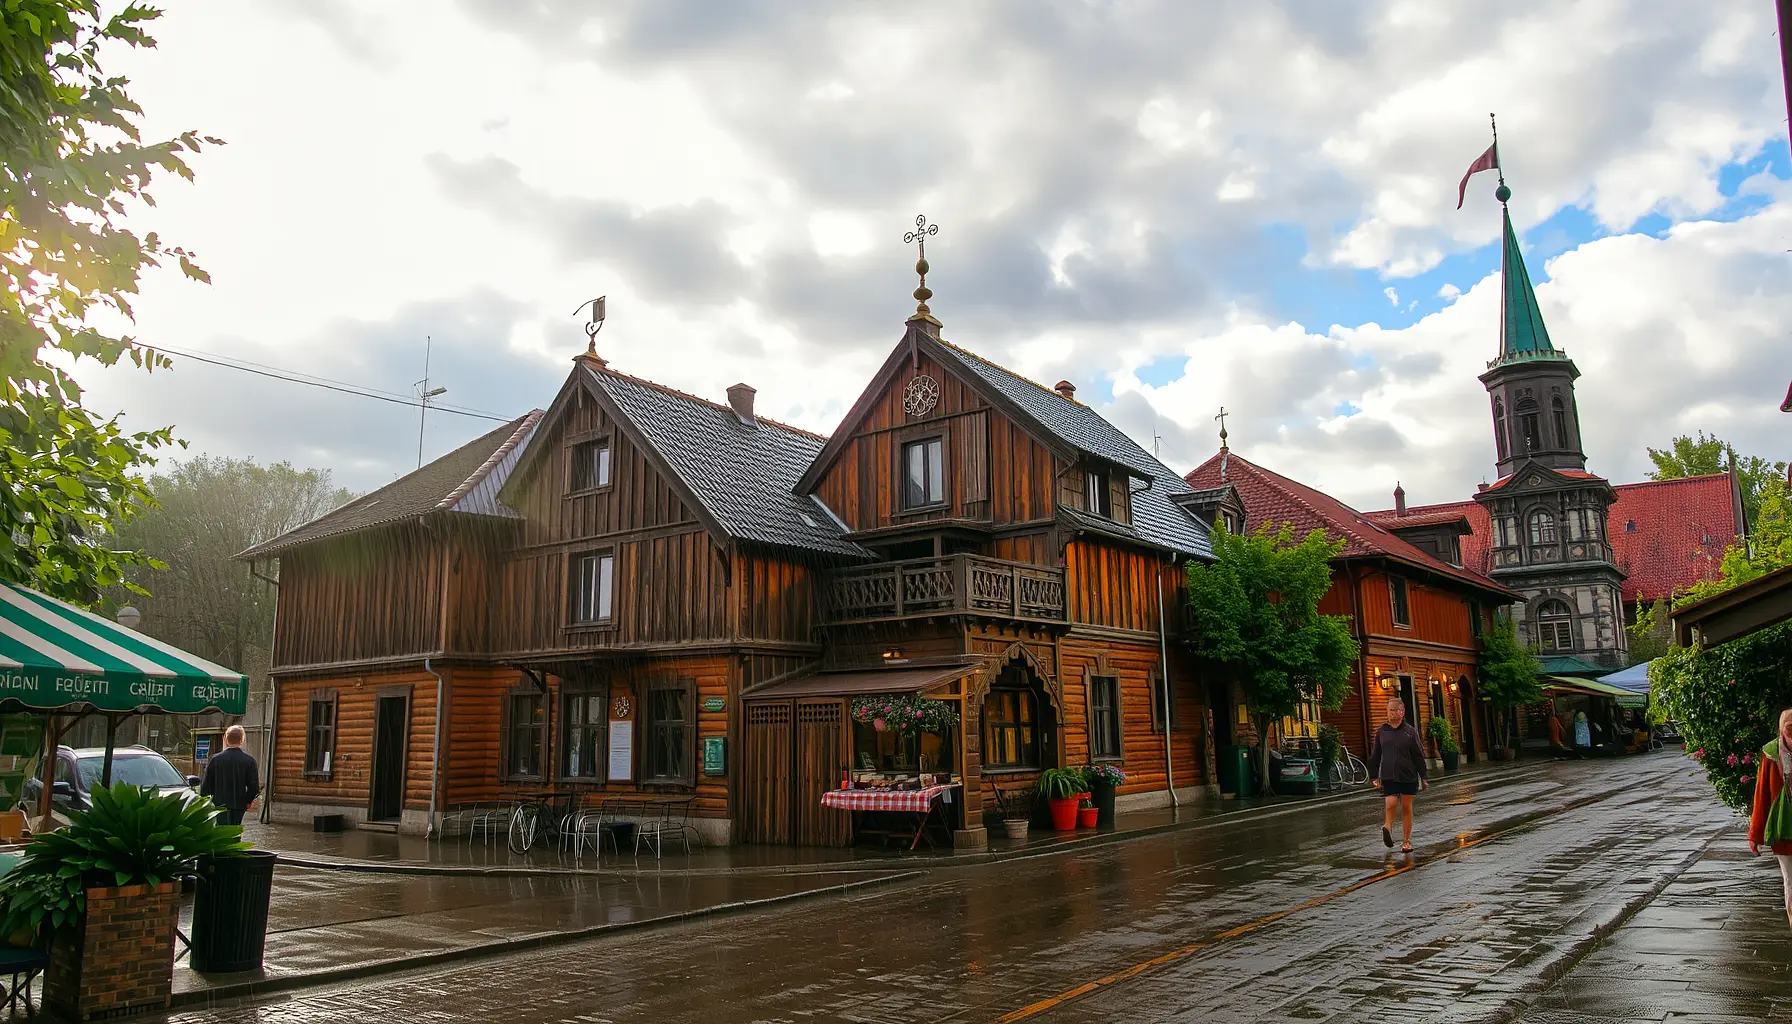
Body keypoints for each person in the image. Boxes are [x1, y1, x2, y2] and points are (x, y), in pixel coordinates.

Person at [1748, 707, 1792, 930]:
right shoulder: (1770, 753)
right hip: (1782, 829)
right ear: (1780, 729)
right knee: (1790, 881)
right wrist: (1755, 834)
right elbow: (1761, 794)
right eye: (1789, 724)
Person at [1367, 696, 1428, 853]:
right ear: (1387, 712)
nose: (1394, 713)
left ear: (1403, 712)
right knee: (1391, 803)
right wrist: (1373, 775)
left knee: (1406, 807)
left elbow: (1418, 755)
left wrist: (1424, 776)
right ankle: (1387, 827)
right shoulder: (1382, 732)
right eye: (1391, 710)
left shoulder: (1410, 732)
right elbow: (1376, 755)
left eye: (1397, 710)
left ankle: (1406, 842)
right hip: (1389, 774)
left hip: (1408, 774)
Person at [200, 725, 261, 826]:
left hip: (219, 805)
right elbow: (254, 788)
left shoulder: (215, 760)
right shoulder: (249, 761)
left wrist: (207, 804)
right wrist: (247, 801)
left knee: (221, 834)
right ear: (241, 740)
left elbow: (206, 786)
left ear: (226, 740)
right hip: (239, 805)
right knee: (235, 833)